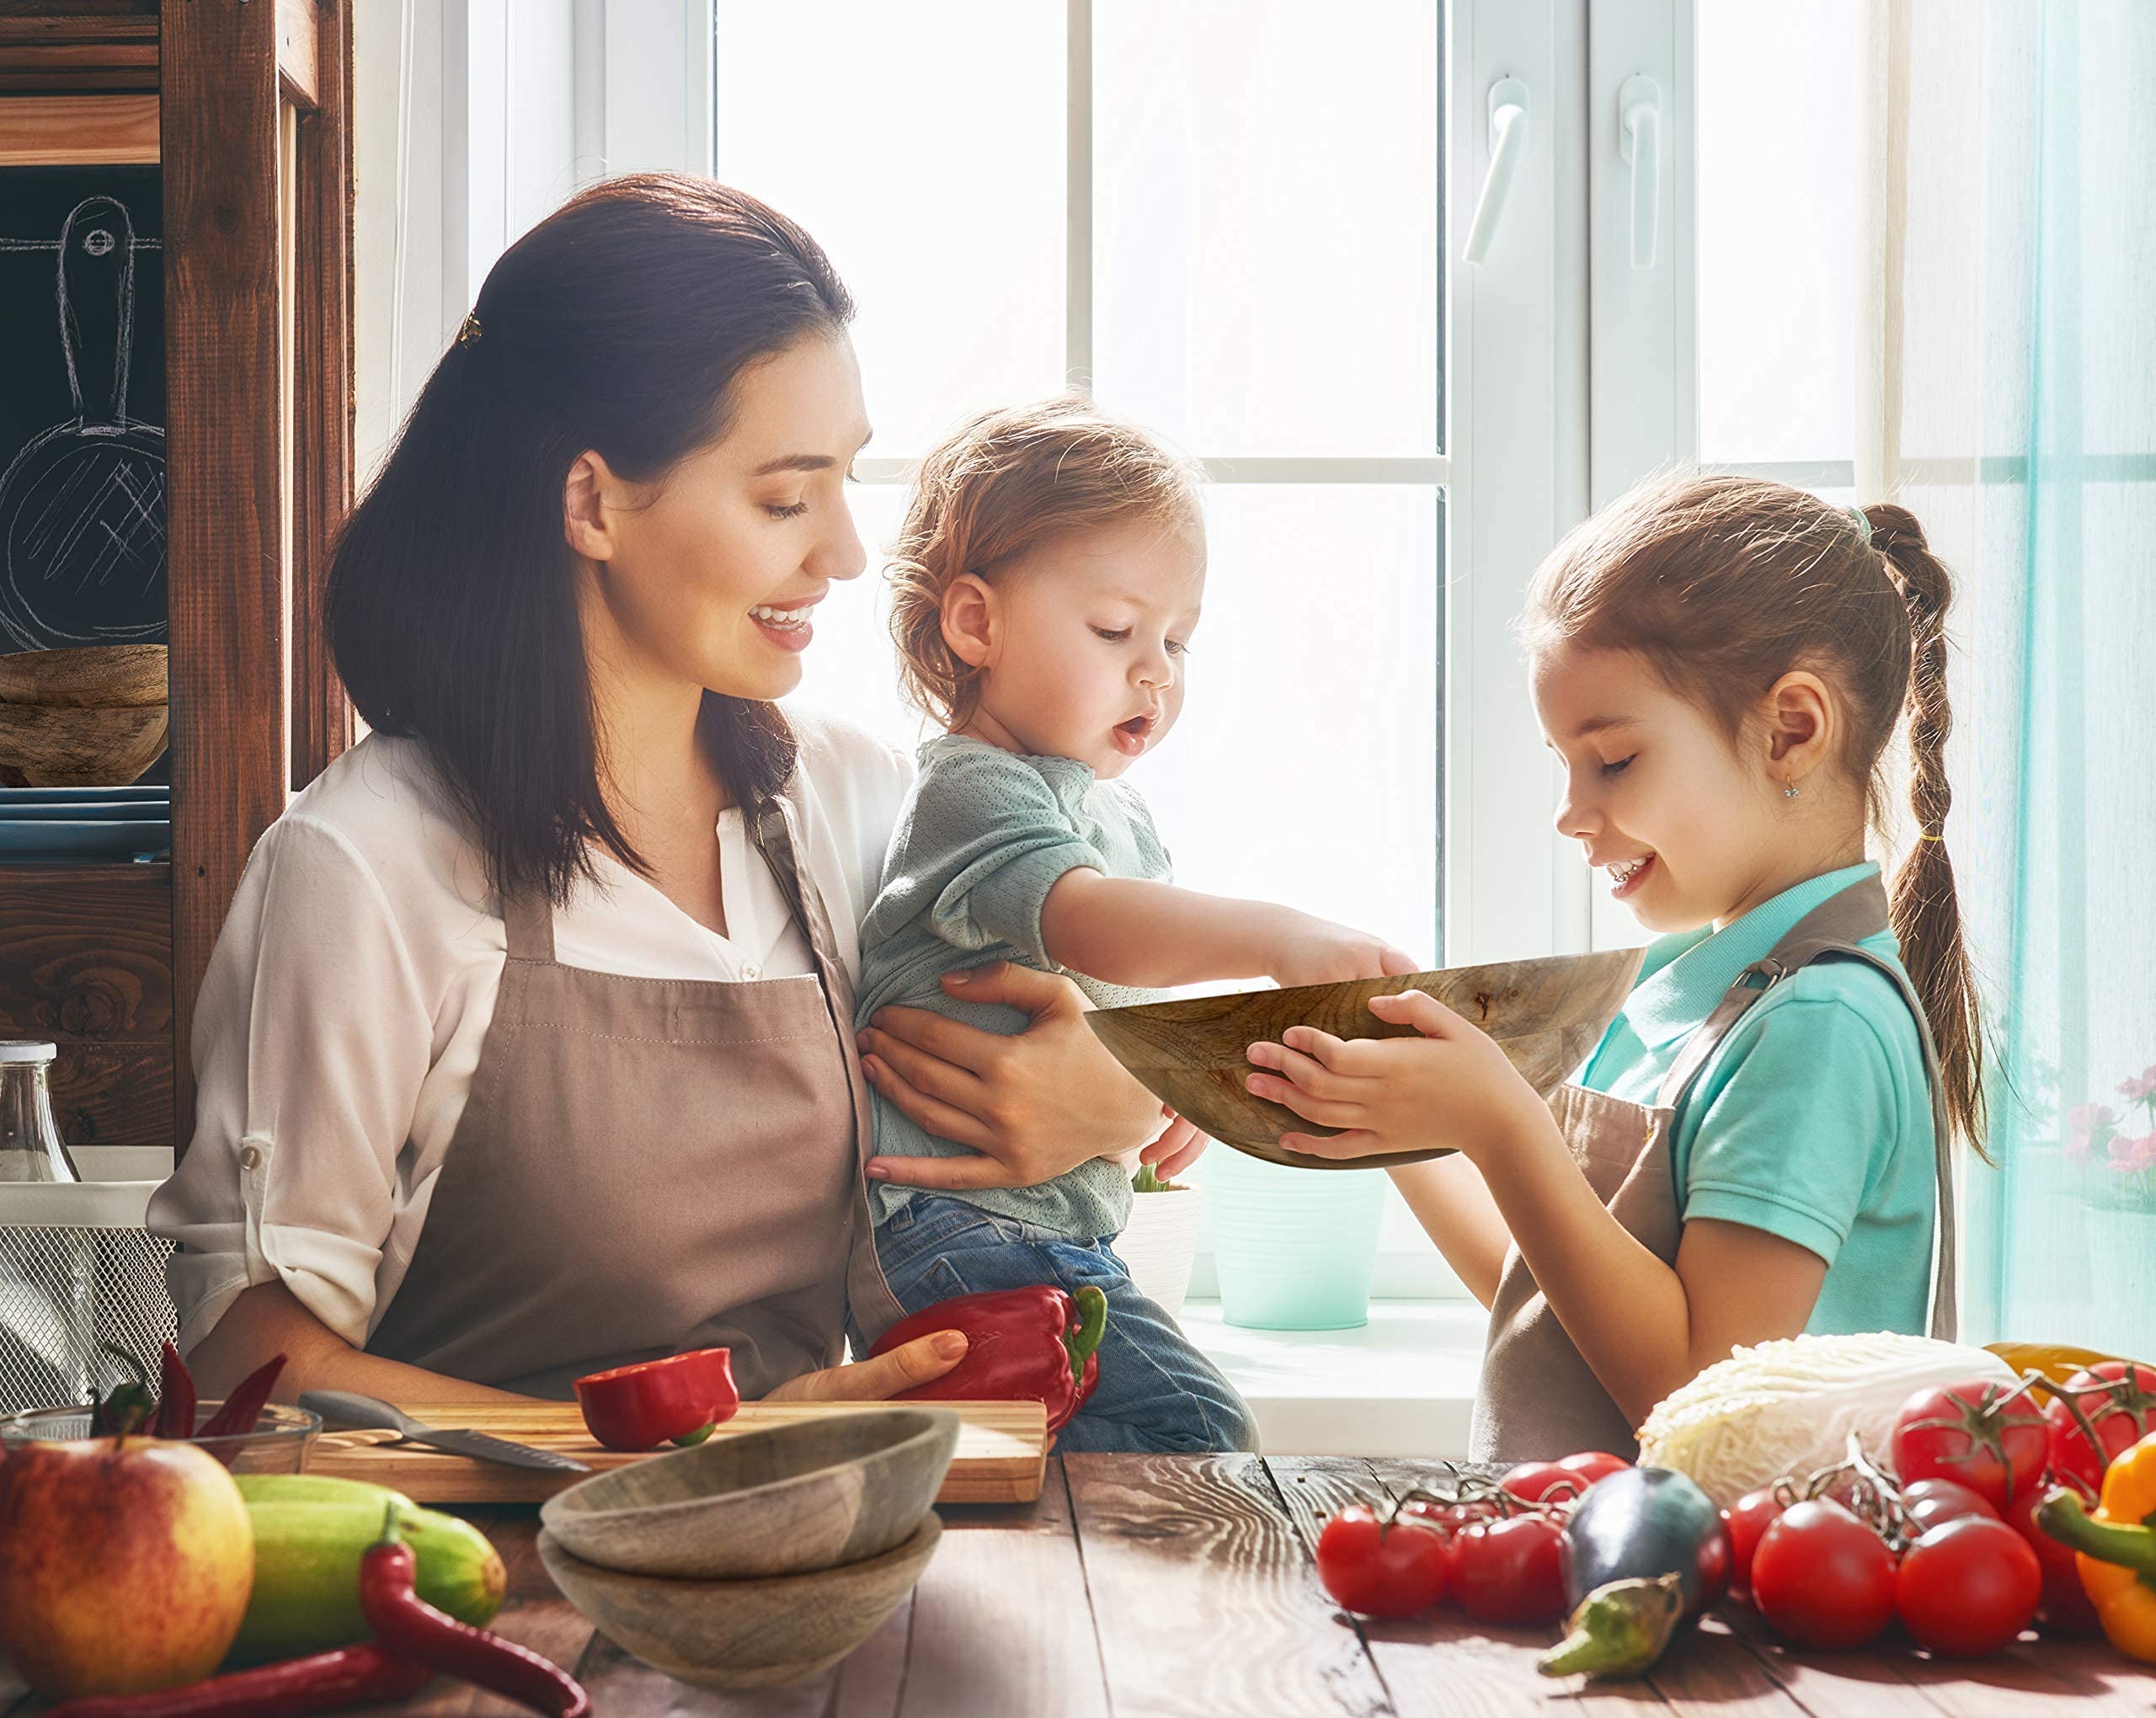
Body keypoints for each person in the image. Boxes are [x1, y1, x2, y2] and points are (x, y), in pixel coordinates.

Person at [147, 175, 1193, 1407]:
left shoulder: (850, 804)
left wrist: (1127, 1097)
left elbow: (1019, 1102)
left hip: (811, 1555)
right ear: (592, 502)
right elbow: (245, 1365)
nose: (845, 555)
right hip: (482, 1567)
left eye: (844, 485)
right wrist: (662, 1449)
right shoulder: (367, 867)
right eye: (782, 498)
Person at [1244, 474, 1977, 1459]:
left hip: (1732, 1600)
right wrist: (1401, 1123)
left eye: (1614, 760)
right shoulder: (1678, 998)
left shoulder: (1819, 1022)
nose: (1569, 810)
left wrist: (1498, 1123)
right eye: (1563, 762)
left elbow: (1700, 1399)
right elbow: (1541, 1296)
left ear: (1792, 728)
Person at [854, 399, 1415, 1450]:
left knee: (1144, 1444)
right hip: (958, 1234)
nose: (1155, 668)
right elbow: (1086, 923)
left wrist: (1175, 1073)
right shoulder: (971, 788)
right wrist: (1277, 940)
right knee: (1189, 1430)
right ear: (975, 624)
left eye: (1176, 640)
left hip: (1046, 1235)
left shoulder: (1119, 816)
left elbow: (1124, 984)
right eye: (1116, 631)